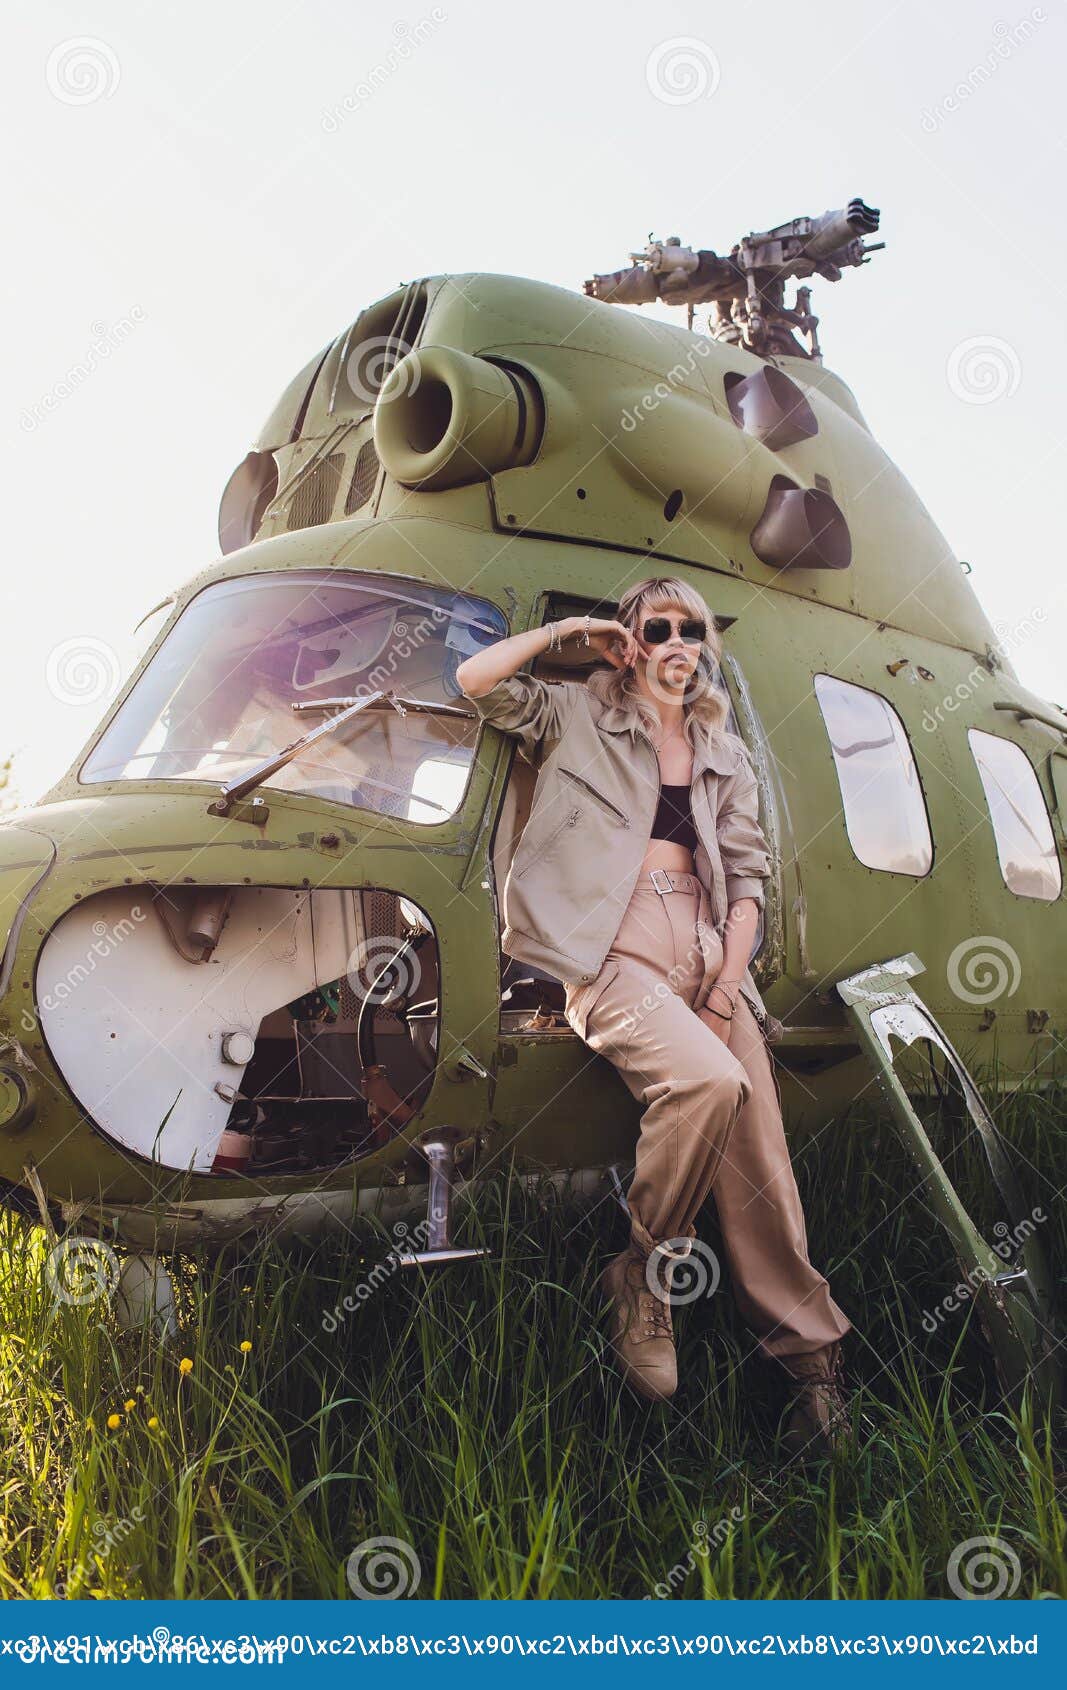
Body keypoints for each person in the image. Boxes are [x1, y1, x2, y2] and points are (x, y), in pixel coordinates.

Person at [455, 577, 852, 1458]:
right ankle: (644, 1271)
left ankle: (811, 1368)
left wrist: (723, 987)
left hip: (708, 950)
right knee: (708, 1083)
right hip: (611, 949)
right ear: (630, 641)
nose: (677, 643)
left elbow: (745, 880)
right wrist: (570, 630)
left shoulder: (723, 750)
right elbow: (476, 680)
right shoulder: (572, 713)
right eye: (657, 628)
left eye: (691, 630)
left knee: (761, 1164)